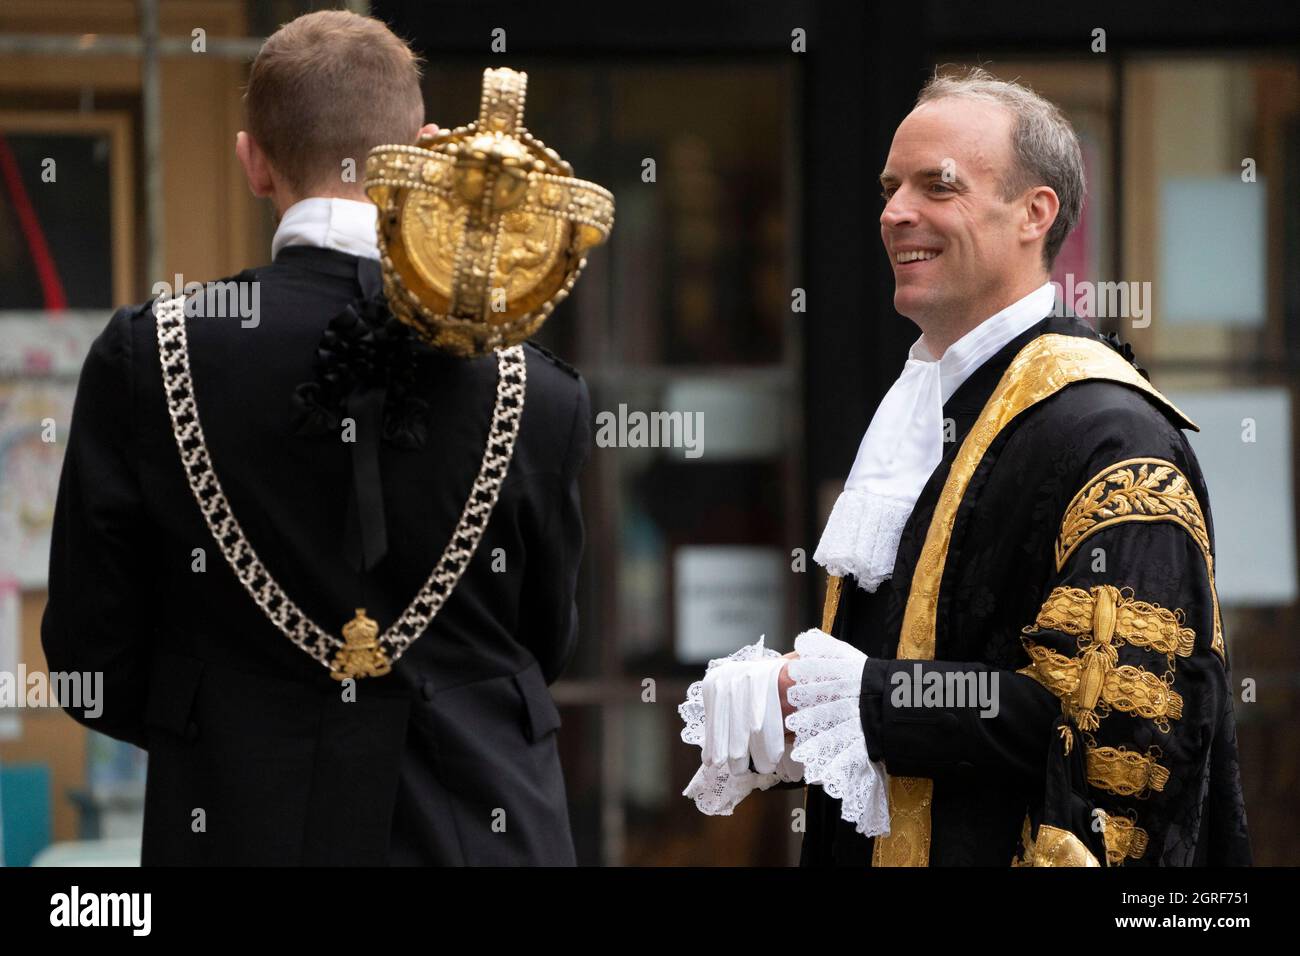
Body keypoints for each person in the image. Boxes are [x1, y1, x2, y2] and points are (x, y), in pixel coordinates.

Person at [41, 9, 590, 866]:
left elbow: (89, 652)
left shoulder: (147, 356)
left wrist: (229, 721)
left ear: (252, 161)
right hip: (479, 831)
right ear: (427, 146)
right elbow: (544, 640)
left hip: (234, 825)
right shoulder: (537, 385)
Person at [684, 66, 1250, 867]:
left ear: (1034, 212)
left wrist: (865, 699)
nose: (895, 213)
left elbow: (1114, 732)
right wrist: (794, 708)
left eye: (936, 186)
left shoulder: (1111, 435)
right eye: (890, 187)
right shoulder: (925, 403)